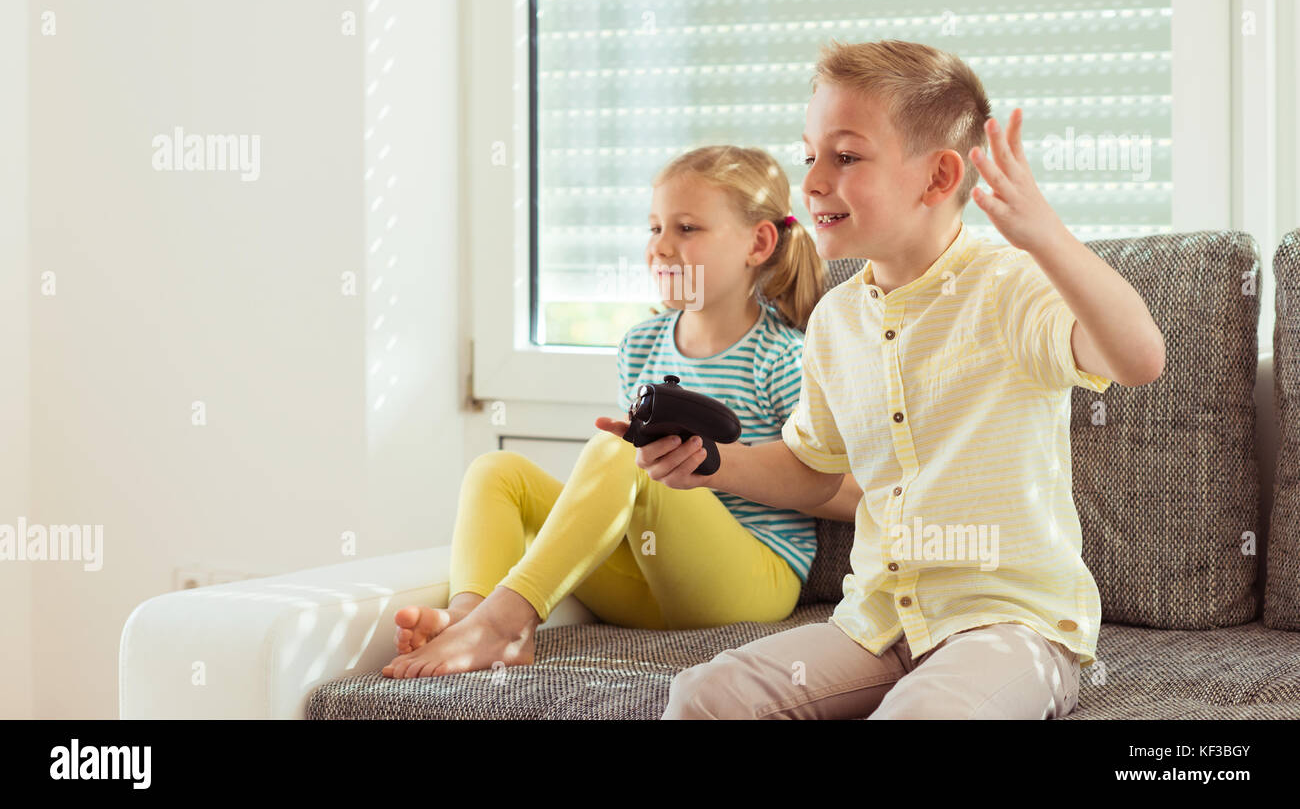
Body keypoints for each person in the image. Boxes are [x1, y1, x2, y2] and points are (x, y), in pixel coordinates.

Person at [635, 39, 1167, 719]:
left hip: (1010, 627)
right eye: (810, 156)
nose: (815, 180)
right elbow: (816, 469)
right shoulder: (835, 319)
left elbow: (1140, 357)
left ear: (939, 178)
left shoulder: (1010, 287)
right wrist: (713, 462)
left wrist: (1045, 235)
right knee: (705, 695)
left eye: (847, 156)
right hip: (878, 624)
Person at [382, 144, 863, 679]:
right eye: (654, 228)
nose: (661, 247)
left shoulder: (782, 357)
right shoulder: (640, 346)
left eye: (686, 228)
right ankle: (472, 617)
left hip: (751, 581)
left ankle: (507, 622)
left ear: (758, 242)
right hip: (649, 585)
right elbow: (623, 496)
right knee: (498, 472)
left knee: (623, 454)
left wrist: (716, 464)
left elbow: (848, 487)